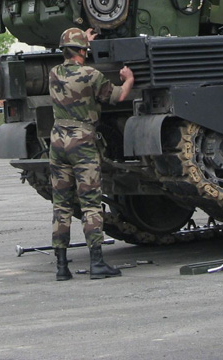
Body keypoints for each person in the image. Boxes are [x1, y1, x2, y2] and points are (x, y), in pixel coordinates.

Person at [49, 27, 134, 281]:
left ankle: (62, 267)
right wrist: (128, 78)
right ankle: (97, 262)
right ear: (82, 52)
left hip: (57, 142)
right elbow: (118, 96)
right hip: (82, 144)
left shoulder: (54, 74)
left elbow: (73, 58)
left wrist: (81, 39)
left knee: (61, 205)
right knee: (91, 204)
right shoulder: (91, 75)